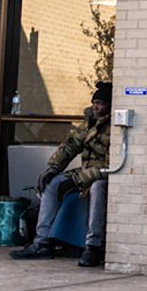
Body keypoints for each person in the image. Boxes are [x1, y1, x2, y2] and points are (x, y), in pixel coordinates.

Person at [14, 83, 117, 263]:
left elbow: (113, 164)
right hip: (85, 171)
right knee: (52, 184)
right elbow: (70, 146)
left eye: (100, 103)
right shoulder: (88, 123)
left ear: (109, 105)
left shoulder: (115, 126)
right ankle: (42, 242)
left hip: (105, 174)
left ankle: (93, 246)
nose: (96, 106)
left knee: (97, 188)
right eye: (94, 102)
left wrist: (81, 179)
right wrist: (53, 168)